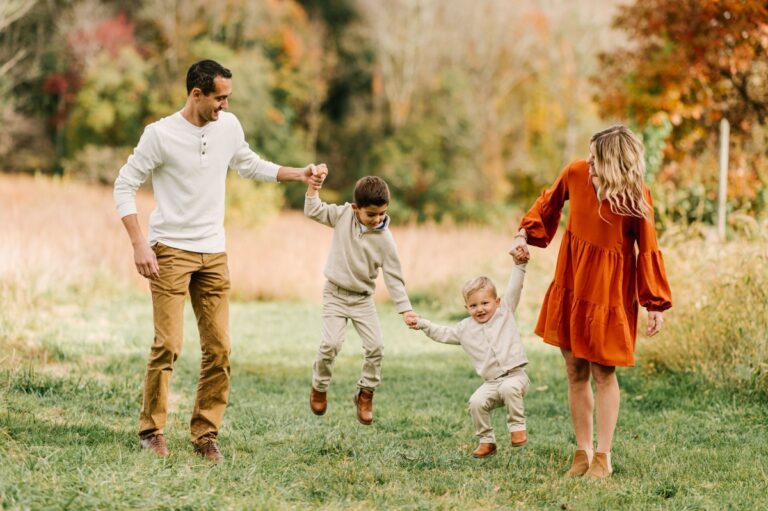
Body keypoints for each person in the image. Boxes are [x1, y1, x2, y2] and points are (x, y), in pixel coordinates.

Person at [113, 59, 326, 461]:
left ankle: (205, 434)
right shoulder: (159, 134)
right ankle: (151, 430)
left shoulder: (228, 127)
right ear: (197, 94)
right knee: (168, 344)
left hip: (213, 252)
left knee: (220, 349)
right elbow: (124, 185)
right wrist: (139, 243)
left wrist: (300, 173)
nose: (225, 105)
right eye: (220, 98)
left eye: (228, 98)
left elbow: (250, 164)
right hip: (169, 250)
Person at [511, 125, 672, 478]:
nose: (590, 162)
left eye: (596, 158)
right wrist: (523, 234)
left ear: (614, 162)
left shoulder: (636, 195)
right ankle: (582, 452)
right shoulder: (576, 173)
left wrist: (654, 303)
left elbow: (648, 249)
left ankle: (603, 456)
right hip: (571, 281)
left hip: (607, 293)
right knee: (574, 370)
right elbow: (547, 204)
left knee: (602, 372)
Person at [304, 175, 417, 425]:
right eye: (371, 214)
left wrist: (405, 309)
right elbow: (313, 210)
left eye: (382, 213)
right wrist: (313, 187)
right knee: (330, 344)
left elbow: (394, 277)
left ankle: (365, 393)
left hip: (362, 300)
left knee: (376, 346)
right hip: (335, 293)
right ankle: (319, 386)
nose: (377, 219)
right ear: (356, 208)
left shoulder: (385, 240)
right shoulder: (343, 215)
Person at [408, 249, 531, 458]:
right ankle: (487, 441)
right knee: (476, 402)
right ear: (467, 307)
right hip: (491, 383)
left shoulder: (505, 312)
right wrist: (422, 324)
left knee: (509, 388)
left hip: (516, 377)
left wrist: (520, 265)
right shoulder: (465, 329)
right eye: (473, 305)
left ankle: (517, 428)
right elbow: (443, 333)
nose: (480, 309)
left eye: (485, 303)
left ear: (497, 302)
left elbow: (515, 287)